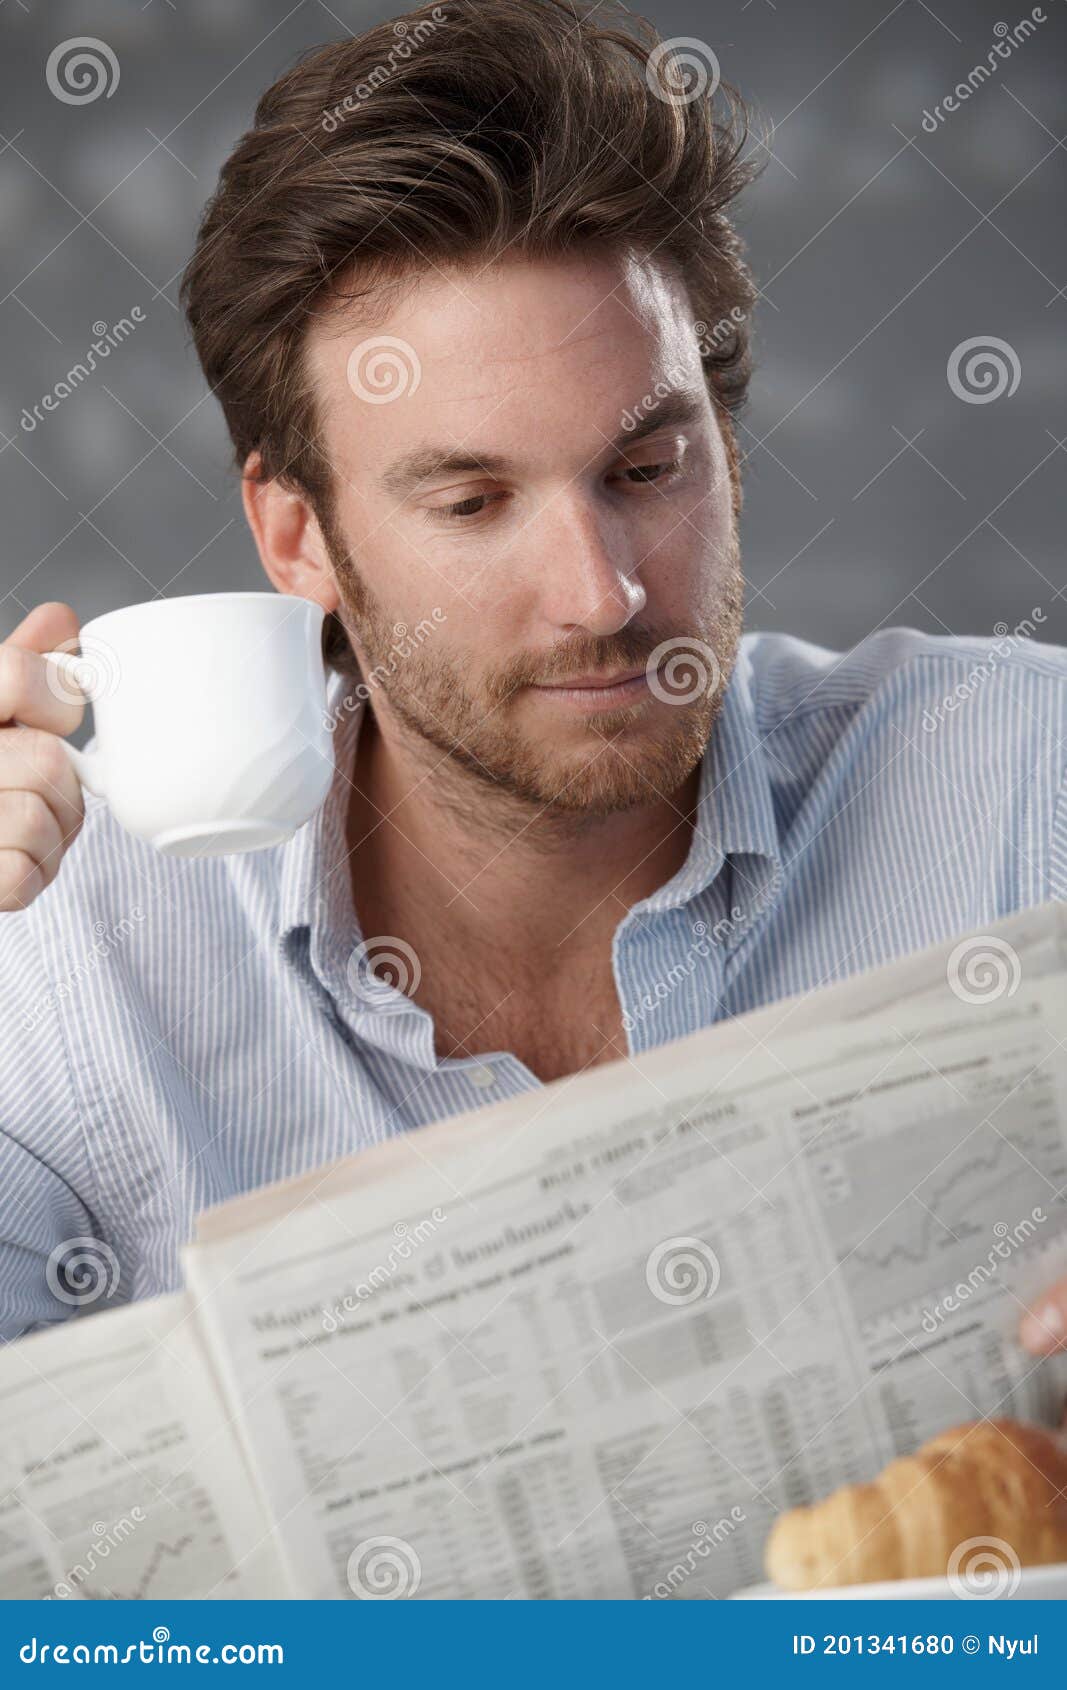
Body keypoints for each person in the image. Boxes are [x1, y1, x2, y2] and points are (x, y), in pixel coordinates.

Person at [0, 0, 1064, 1355]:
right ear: (296, 535)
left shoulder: (1033, 787)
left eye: (645, 470)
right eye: (472, 501)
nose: (604, 594)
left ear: (726, 450)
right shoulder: (57, 960)